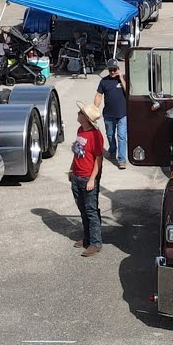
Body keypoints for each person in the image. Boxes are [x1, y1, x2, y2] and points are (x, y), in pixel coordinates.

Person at [70, 102, 106, 256]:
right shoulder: (80, 130)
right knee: (83, 210)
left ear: (86, 118)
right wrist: (71, 169)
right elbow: (77, 152)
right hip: (76, 176)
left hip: (87, 178)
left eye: (81, 113)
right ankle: (87, 238)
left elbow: (99, 160)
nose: (78, 113)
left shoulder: (95, 135)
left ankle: (95, 243)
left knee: (91, 211)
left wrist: (92, 179)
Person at [95, 59, 128, 170]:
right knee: (110, 135)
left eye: (114, 69)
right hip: (109, 115)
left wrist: (121, 78)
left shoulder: (124, 78)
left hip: (123, 114)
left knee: (121, 136)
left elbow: (128, 91)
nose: (113, 72)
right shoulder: (104, 81)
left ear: (118, 69)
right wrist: (95, 109)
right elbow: (99, 95)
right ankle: (112, 150)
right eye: (110, 70)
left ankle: (122, 160)